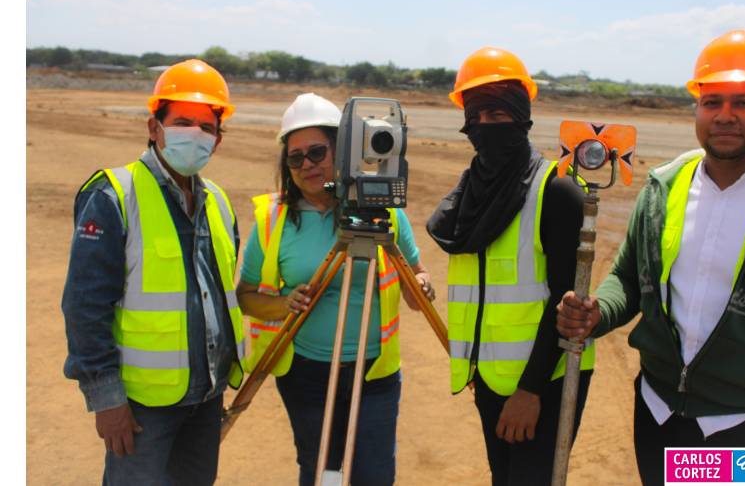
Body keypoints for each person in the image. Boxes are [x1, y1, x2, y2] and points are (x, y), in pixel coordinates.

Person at [556, 30, 745, 486]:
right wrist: (597, 312)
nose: (724, 116)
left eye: (744, 102)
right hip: (660, 413)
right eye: (712, 102)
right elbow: (629, 278)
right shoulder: (664, 189)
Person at [62, 59, 246, 485]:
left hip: (206, 396)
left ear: (218, 140)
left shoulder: (219, 203)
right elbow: (85, 306)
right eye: (182, 122)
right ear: (154, 127)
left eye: (206, 127)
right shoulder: (114, 195)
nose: (195, 135)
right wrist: (106, 398)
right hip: (141, 407)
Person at [236, 92, 434, 486]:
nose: (307, 165)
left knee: (374, 475)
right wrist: (284, 304)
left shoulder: (383, 213)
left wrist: (423, 284)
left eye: (317, 152)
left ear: (341, 150)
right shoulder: (273, 219)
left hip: (373, 373)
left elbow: (417, 285)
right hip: (306, 375)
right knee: (320, 470)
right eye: (296, 158)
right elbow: (245, 297)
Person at [426, 47, 594, 486]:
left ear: (522, 116)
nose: (484, 126)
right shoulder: (472, 192)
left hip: (545, 382)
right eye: (475, 116)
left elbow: (565, 303)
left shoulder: (556, 189)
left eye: (497, 114)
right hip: (491, 379)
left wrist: (530, 390)